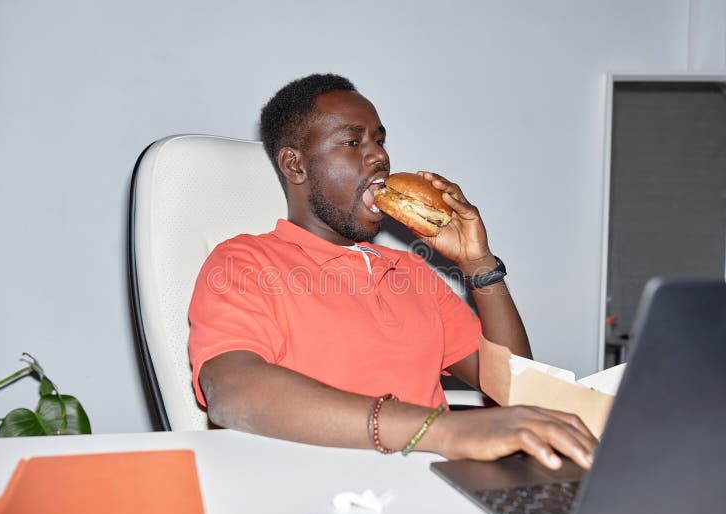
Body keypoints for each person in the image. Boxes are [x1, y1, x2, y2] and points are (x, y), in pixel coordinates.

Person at [188, 73, 596, 470]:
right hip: (322, 497)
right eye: (352, 141)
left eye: (379, 140)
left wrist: (479, 264)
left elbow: (514, 388)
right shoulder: (244, 262)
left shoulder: (409, 271)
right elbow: (232, 392)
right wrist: (443, 430)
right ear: (296, 166)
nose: (379, 155)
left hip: (437, 487)